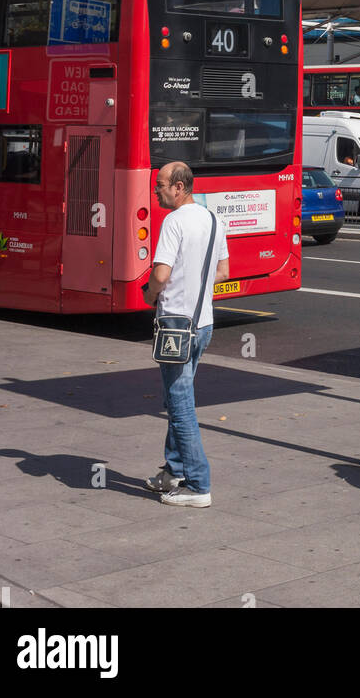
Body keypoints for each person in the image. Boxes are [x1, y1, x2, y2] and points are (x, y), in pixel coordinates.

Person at [142, 162, 229, 507]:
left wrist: (150, 295)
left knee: (180, 407)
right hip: (202, 323)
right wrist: (198, 285)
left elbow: (160, 275)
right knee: (178, 397)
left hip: (175, 326)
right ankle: (172, 471)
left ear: (179, 187)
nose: (157, 191)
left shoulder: (173, 222)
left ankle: (198, 485)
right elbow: (223, 270)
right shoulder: (212, 219)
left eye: (160, 185)